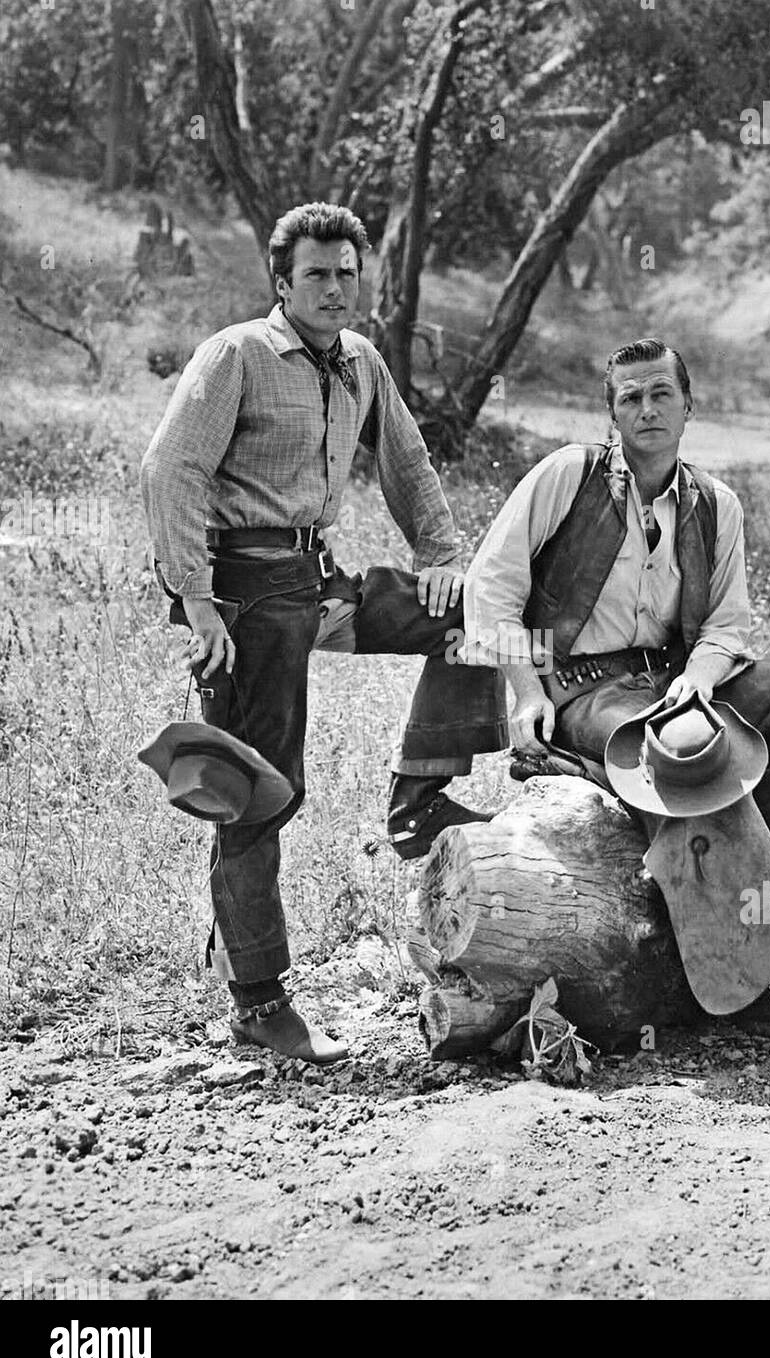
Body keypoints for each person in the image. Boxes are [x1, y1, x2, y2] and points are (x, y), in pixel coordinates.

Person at [140, 202, 504, 1065]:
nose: (336, 287)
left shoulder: (361, 362)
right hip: (248, 593)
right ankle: (260, 1004)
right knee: (262, 790)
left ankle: (418, 801)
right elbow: (170, 467)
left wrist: (445, 555)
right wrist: (195, 599)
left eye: (347, 272)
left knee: (472, 613)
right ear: (282, 282)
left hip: (319, 582)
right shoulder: (238, 355)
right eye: (317, 274)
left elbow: (407, 461)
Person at [458, 337, 770, 1023]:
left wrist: (699, 678)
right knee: (682, 758)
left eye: (659, 393)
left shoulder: (715, 503)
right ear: (610, 414)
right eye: (630, 397)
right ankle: (739, 980)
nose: (646, 409)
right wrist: (526, 692)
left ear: (688, 405)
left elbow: (726, 627)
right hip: (585, 690)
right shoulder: (566, 475)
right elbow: (490, 590)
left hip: (676, 682)